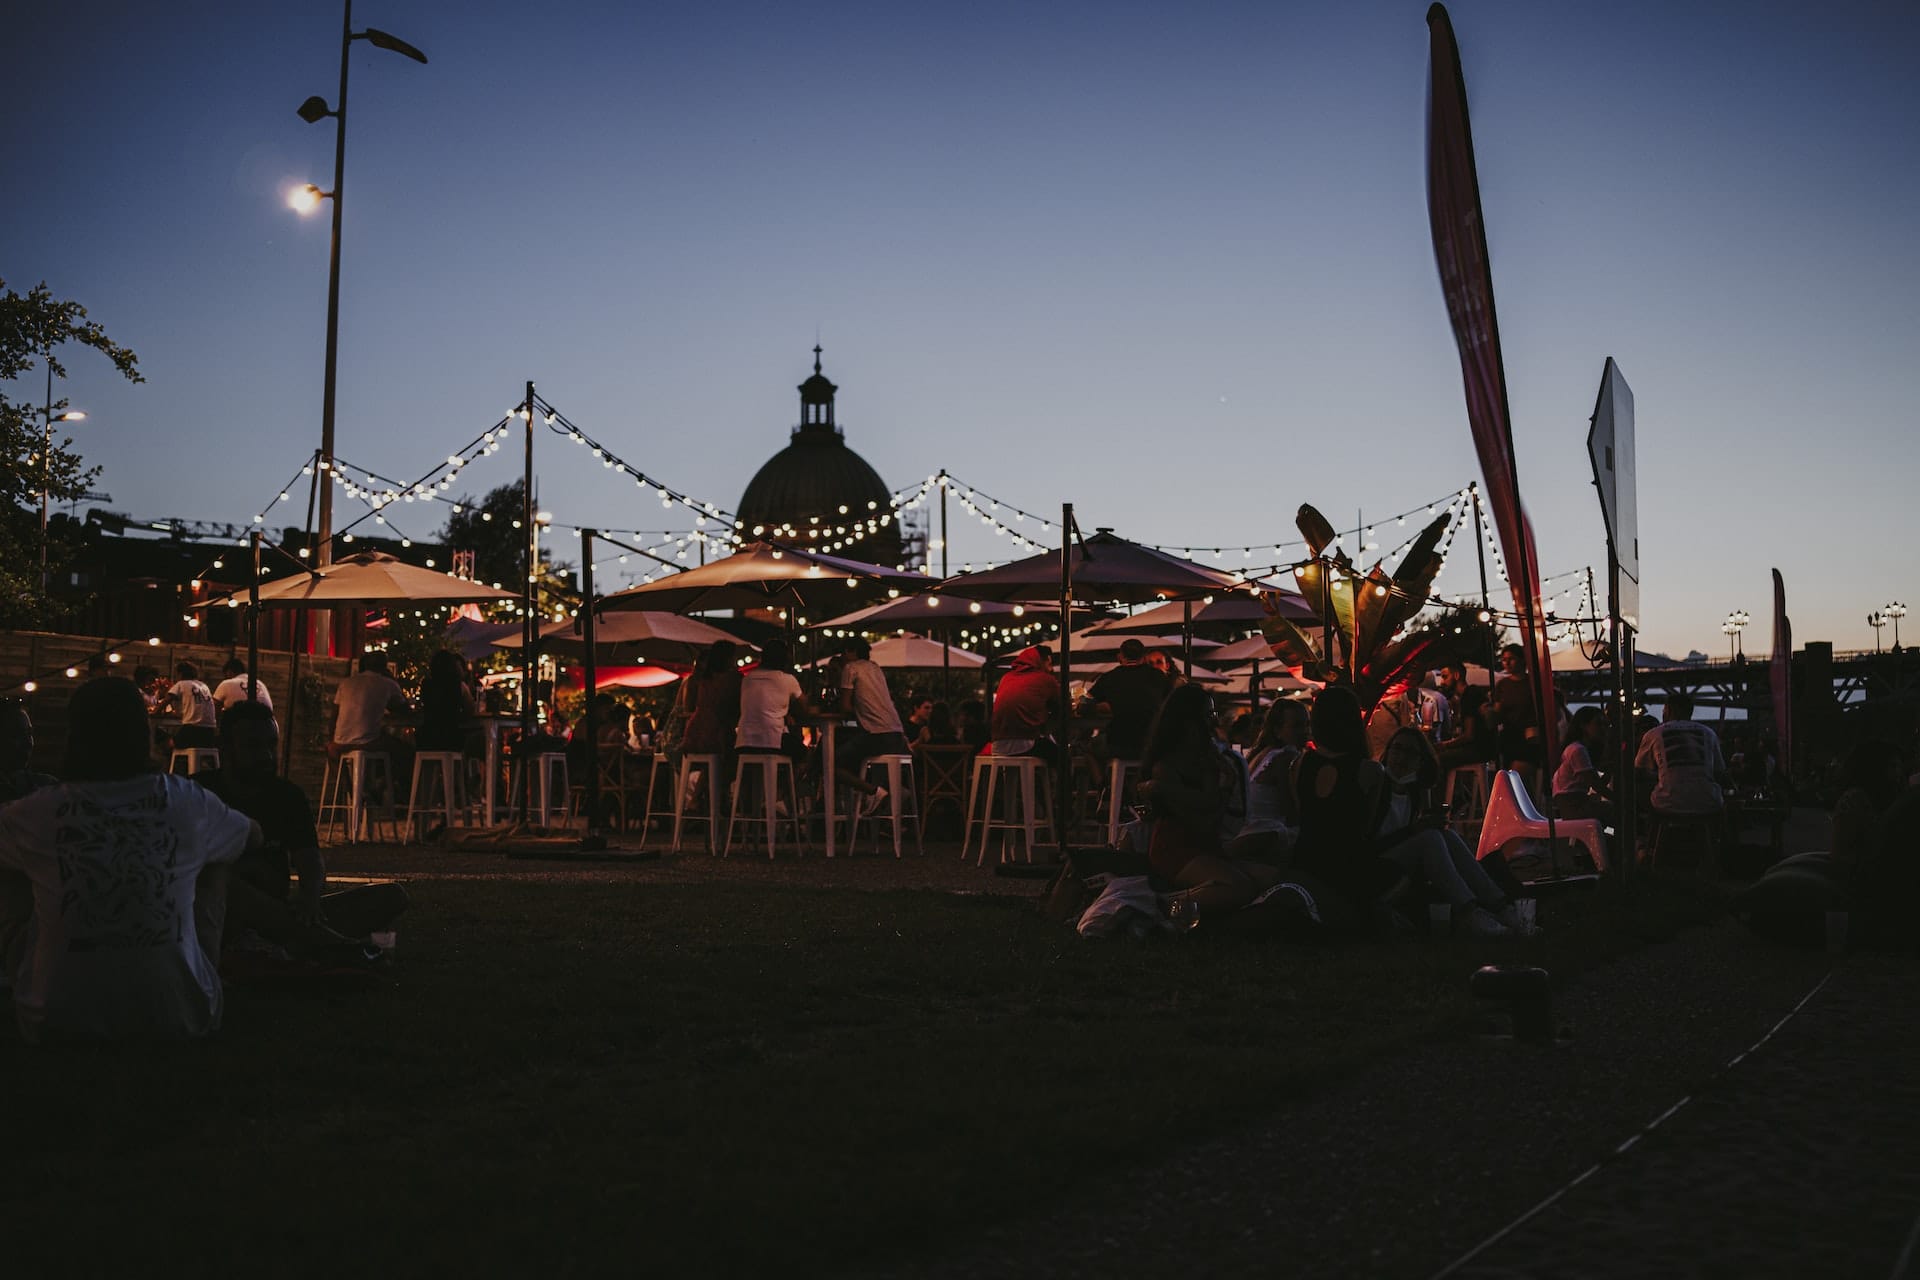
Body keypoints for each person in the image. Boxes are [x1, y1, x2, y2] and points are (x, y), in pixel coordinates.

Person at [0, 677, 261, 1042]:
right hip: (181, 1016)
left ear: (73, 737)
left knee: (12, 866)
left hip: (55, 1020)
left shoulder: (36, 812)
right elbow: (252, 835)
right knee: (217, 858)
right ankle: (195, 976)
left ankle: (25, 983)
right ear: (143, 732)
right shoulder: (188, 802)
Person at [195, 700, 408, 956]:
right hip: (221, 914)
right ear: (225, 748)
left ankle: (299, 940)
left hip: (283, 913)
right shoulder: (200, 794)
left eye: (271, 745)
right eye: (253, 746)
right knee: (222, 882)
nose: (266, 756)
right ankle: (333, 947)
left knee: (391, 897)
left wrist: (309, 897)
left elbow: (310, 859)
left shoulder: (286, 795)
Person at [1139, 683, 1279, 916]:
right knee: (1239, 887)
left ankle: (1191, 902)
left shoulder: (1207, 758)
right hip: (1175, 848)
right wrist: (1220, 791)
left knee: (1274, 880)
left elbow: (1210, 812)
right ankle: (1156, 907)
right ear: (1188, 720)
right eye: (1208, 715)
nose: (1213, 722)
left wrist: (1222, 789)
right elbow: (1199, 821)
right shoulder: (1166, 766)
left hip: (1207, 844)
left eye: (1213, 714)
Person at [1373, 726, 1526, 936]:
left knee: (1447, 835)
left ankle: (1501, 906)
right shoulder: (1376, 789)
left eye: (1410, 753)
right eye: (1397, 749)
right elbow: (1368, 844)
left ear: (1420, 761)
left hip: (1401, 861)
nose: (1401, 757)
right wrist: (1414, 830)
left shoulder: (1413, 793)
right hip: (1377, 867)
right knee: (1430, 838)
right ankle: (1468, 912)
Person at [834, 638, 910, 815]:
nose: (842, 657)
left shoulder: (850, 668)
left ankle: (873, 791)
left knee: (830, 763)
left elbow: (844, 707)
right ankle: (890, 791)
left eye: (843, 653)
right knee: (854, 753)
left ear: (849, 651)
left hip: (877, 734)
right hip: (897, 735)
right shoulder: (875, 667)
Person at [1633, 691, 1729, 825]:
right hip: (1708, 803)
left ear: (1670, 710)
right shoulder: (1709, 733)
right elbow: (1719, 772)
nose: (1663, 713)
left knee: (1639, 787)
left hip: (1667, 804)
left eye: (1664, 709)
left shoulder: (1654, 734)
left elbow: (1638, 772)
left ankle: (1650, 835)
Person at [1233, 698, 1308, 858]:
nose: (1306, 731)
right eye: (1297, 726)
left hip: (1246, 831)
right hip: (1265, 833)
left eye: (1307, 724)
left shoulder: (1263, 753)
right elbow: (1290, 811)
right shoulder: (1287, 756)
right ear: (1277, 730)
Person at [1086, 637, 1172, 763]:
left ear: (1120, 657)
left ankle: (1102, 782)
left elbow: (1086, 701)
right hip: (1152, 744)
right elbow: (1170, 702)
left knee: (1089, 749)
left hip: (1118, 743)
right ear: (1143, 658)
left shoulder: (1109, 677)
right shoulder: (1159, 676)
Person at [738, 638, 806, 758]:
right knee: (804, 752)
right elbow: (804, 707)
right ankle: (791, 776)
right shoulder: (788, 679)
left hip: (744, 742)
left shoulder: (747, 679)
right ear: (784, 659)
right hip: (772, 741)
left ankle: (773, 776)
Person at [990, 645, 1058, 762]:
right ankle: (1055, 780)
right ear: (1044, 660)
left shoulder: (1006, 677)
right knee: (1063, 757)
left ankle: (1023, 780)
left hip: (997, 745)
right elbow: (1063, 706)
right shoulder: (1045, 679)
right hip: (1026, 743)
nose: (1051, 669)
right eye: (1049, 664)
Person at [1489, 644, 1543, 787]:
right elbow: (1497, 714)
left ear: (1522, 660)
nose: (1506, 662)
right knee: (1508, 779)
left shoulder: (1532, 683)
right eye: (1504, 659)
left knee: (1516, 780)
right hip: (1509, 737)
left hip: (1529, 739)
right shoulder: (1502, 685)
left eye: (1511, 659)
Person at [1552, 706, 1612, 821]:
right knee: (1615, 811)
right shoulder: (1577, 750)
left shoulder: (1578, 748)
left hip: (1573, 802)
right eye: (1598, 724)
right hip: (1573, 805)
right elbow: (1595, 783)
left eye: (1605, 725)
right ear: (1583, 726)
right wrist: (1620, 800)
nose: (1604, 729)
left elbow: (1594, 783)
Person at [415, 649, 478, 754]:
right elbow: (470, 710)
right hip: (451, 738)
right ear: (454, 667)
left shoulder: (426, 684)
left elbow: (422, 706)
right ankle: (464, 769)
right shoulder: (459, 685)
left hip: (426, 738)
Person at [167, 660, 220, 749]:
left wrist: (156, 711)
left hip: (192, 730)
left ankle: (176, 762)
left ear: (180, 674)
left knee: (167, 743)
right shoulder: (204, 686)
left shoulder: (181, 683)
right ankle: (190, 762)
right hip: (210, 734)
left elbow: (168, 698)